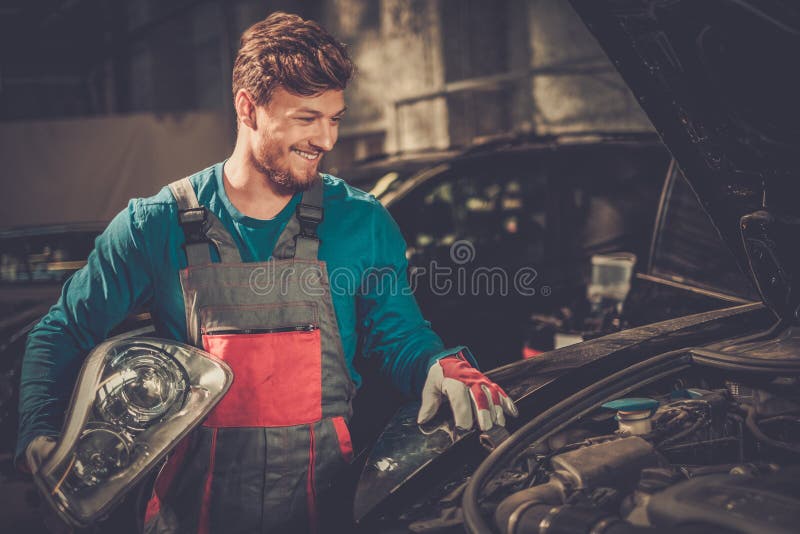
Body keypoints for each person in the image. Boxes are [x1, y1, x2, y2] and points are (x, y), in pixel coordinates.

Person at [17, 12, 517, 533]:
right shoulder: (155, 225)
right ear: (247, 108)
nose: (326, 139)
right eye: (307, 118)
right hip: (191, 516)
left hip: (329, 512)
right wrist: (40, 430)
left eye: (335, 118)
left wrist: (440, 365)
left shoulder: (361, 221)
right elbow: (63, 331)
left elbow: (399, 336)